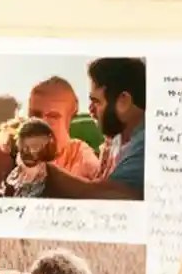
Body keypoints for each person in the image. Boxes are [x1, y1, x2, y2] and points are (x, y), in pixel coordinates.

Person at [0, 76, 101, 197]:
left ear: (69, 119)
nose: (41, 123)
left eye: (53, 116)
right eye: (35, 114)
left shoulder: (81, 156)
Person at [44, 57, 147, 200]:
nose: (91, 110)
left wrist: (43, 170)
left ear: (124, 101)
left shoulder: (145, 144)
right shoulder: (116, 140)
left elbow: (106, 195)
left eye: (96, 102)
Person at [0, 118, 57, 198]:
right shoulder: (12, 177)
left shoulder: (51, 183)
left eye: (35, 146)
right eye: (23, 146)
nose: (27, 151)